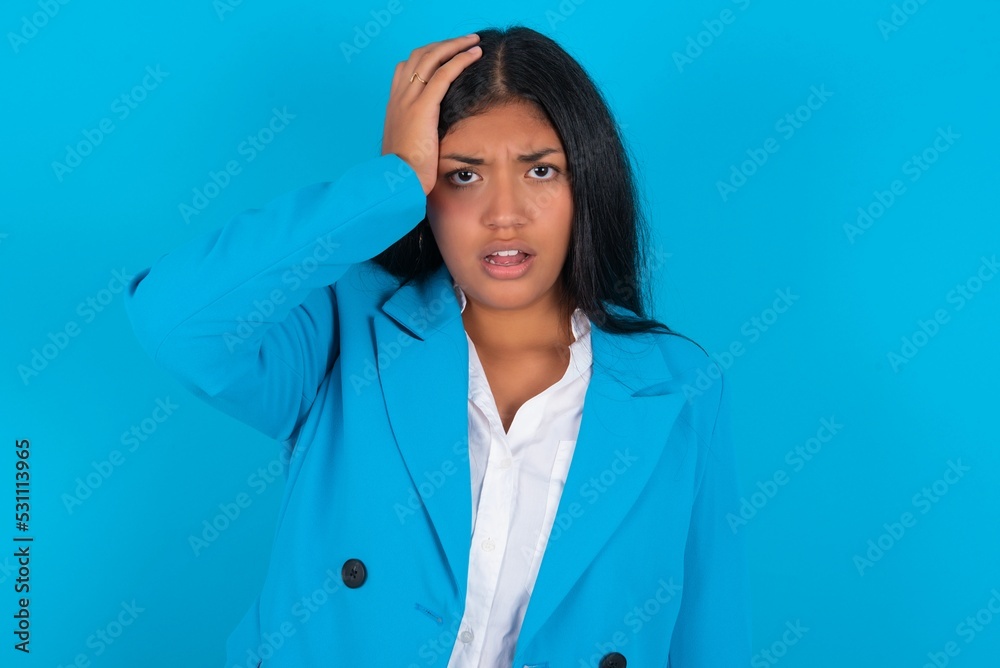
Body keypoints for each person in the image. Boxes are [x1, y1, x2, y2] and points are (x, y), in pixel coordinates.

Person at [124, 26, 751, 668]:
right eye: (464, 175)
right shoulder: (347, 329)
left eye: (540, 170)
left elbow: (710, 634)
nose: (504, 213)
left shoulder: (680, 388)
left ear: (586, 183)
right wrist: (388, 183)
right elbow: (175, 321)